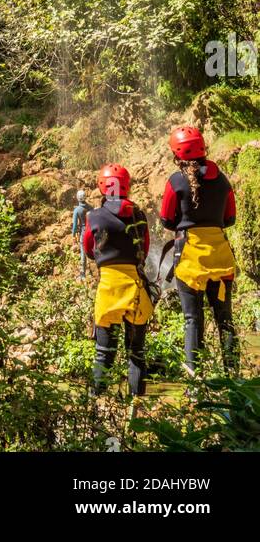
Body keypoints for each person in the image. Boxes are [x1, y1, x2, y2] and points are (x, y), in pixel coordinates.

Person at [160, 124, 239, 376]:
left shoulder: (175, 181)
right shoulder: (222, 179)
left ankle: (196, 380)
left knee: (193, 320)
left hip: (190, 257)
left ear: (177, 154)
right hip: (220, 256)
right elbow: (230, 218)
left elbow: (165, 219)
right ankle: (233, 376)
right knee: (224, 318)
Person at [84, 164, 154, 397]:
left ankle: (95, 403)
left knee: (104, 351)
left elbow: (89, 250)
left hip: (109, 289)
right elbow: (144, 248)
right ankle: (137, 406)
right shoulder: (139, 215)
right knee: (136, 352)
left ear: (102, 186)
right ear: (126, 185)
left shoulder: (93, 216)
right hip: (135, 289)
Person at [72, 189, 92, 278]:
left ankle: (83, 274)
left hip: (83, 232)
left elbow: (75, 225)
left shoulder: (77, 210)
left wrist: (73, 235)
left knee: (83, 252)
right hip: (91, 231)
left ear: (77, 198)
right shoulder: (91, 207)